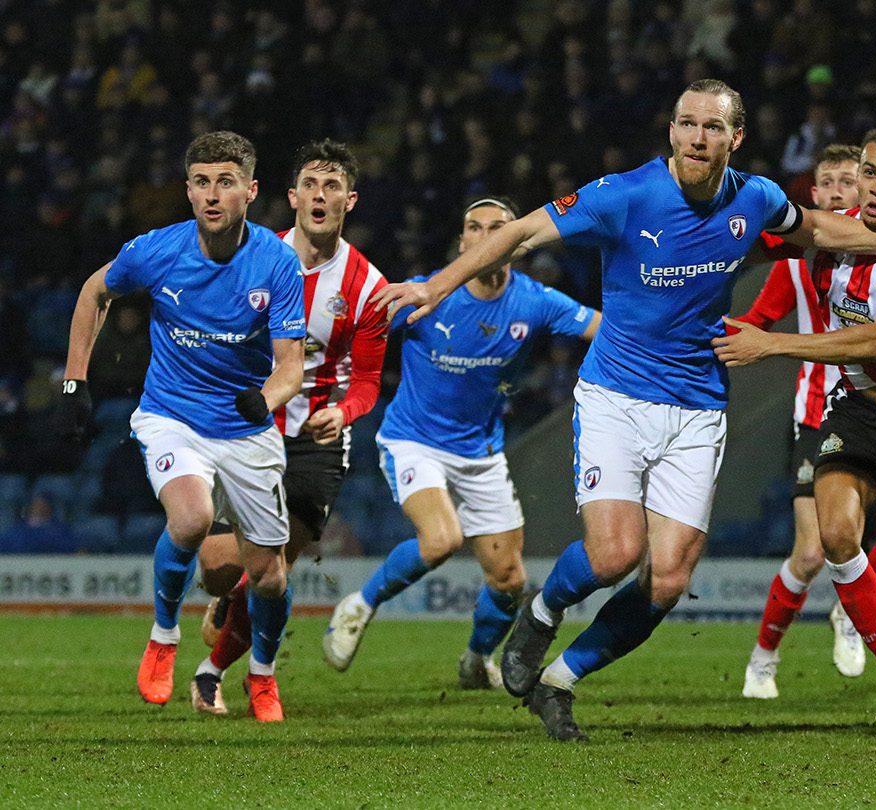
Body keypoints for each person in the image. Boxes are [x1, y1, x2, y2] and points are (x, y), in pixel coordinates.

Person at [371, 79, 876, 742]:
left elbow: (820, 227)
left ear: (735, 139)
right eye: (686, 124)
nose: (696, 139)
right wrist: (433, 285)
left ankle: (560, 681)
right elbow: (520, 233)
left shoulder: (755, 198)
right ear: (671, 130)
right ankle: (544, 608)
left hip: (699, 406)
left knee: (670, 576)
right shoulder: (623, 195)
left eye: (712, 128)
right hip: (616, 397)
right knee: (616, 554)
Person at [717, 122, 876, 741]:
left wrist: (771, 345)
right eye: (869, 171)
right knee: (832, 535)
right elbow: (739, 242)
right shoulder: (828, 241)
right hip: (856, 411)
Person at [56, 131, 305, 722]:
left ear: (251, 190)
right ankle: (163, 636)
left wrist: (263, 398)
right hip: (173, 415)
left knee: (268, 577)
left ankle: (263, 677)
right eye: (200, 182)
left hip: (245, 429)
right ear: (188, 189)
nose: (211, 195)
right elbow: (96, 289)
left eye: (224, 182)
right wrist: (74, 379)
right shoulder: (157, 250)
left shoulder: (276, 261)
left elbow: (291, 366)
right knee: (190, 519)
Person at [323, 196, 600, 685]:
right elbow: (354, 333)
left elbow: (603, 329)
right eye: (475, 226)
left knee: (509, 580)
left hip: (481, 452)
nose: (486, 235)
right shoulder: (429, 294)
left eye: (499, 227)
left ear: (518, 243)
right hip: (415, 441)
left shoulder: (534, 301)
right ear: (461, 243)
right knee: (441, 540)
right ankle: (359, 603)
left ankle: (476, 662)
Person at [187, 139, 389, 716]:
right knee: (220, 569)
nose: (320, 196)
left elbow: (370, 380)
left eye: (333, 188)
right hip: (248, 431)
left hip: (313, 444)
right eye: (311, 185)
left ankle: (219, 673)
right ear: (292, 196)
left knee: (270, 571)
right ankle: (228, 600)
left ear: (350, 201)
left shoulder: (368, 287)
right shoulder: (251, 258)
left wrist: (343, 413)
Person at [735, 143, 874, 697]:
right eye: (829, 183)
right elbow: (753, 321)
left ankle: (849, 612)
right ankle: (763, 659)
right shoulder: (794, 263)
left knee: (871, 543)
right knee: (813, 549)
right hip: (818, 414)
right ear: (813, 195)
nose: (839, 191)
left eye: (849, 181)